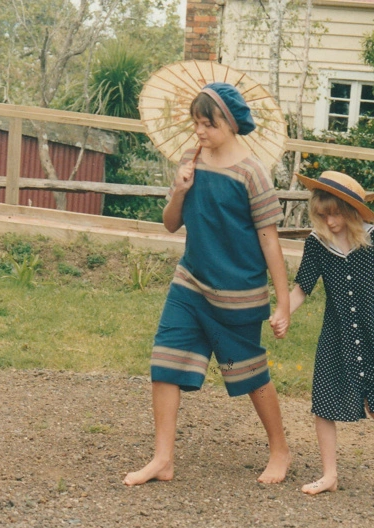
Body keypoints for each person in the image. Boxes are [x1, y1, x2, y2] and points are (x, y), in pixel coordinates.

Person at [123, 82, 292, 486]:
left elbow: (271, 242)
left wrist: (283, 303)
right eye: (196, 123)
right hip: (190, 282)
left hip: (237, 293)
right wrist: (180, 189)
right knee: (164, 364)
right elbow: (170, 223)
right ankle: (163, 459)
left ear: (230, 124)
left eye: (207, 123)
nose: (199, 131)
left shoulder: (252, 174)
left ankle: (280, 450)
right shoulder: (190, 160)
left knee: (249, 374)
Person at [289, 171, 374, 495]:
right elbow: (302, 288)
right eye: (323, 215)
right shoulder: (317, 244)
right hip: (335, 334)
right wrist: (282, 313)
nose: (330, 221)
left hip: (372, 329)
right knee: (323, 401)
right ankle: (330, 474)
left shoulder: (372, 239)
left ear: (350, 211)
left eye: (335, 214)